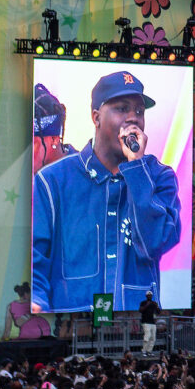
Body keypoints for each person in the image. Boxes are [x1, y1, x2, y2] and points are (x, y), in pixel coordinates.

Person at [31, 70, 182, 312]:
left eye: (139, 111)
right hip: (71, 331)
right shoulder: (52, 182)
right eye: (122, 109)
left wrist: (135, 169)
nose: (133, 118)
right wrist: (38, 314)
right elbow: (35, 264)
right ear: (96, 117)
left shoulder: (159, 177)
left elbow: (154, 244)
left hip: (134, 329)